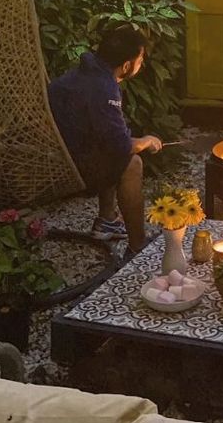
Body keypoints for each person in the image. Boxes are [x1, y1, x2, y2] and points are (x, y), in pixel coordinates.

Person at [48, 24, 162, 256]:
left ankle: (107, 221)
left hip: (57, 151)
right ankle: (138, 245)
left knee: (109, 148)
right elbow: (120, 145)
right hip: (66, 166)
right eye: (141, 59)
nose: (142, 64)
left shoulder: (87, 70)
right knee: (131, 164)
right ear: (128, 65)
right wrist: (147, 140)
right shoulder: (102, 87)